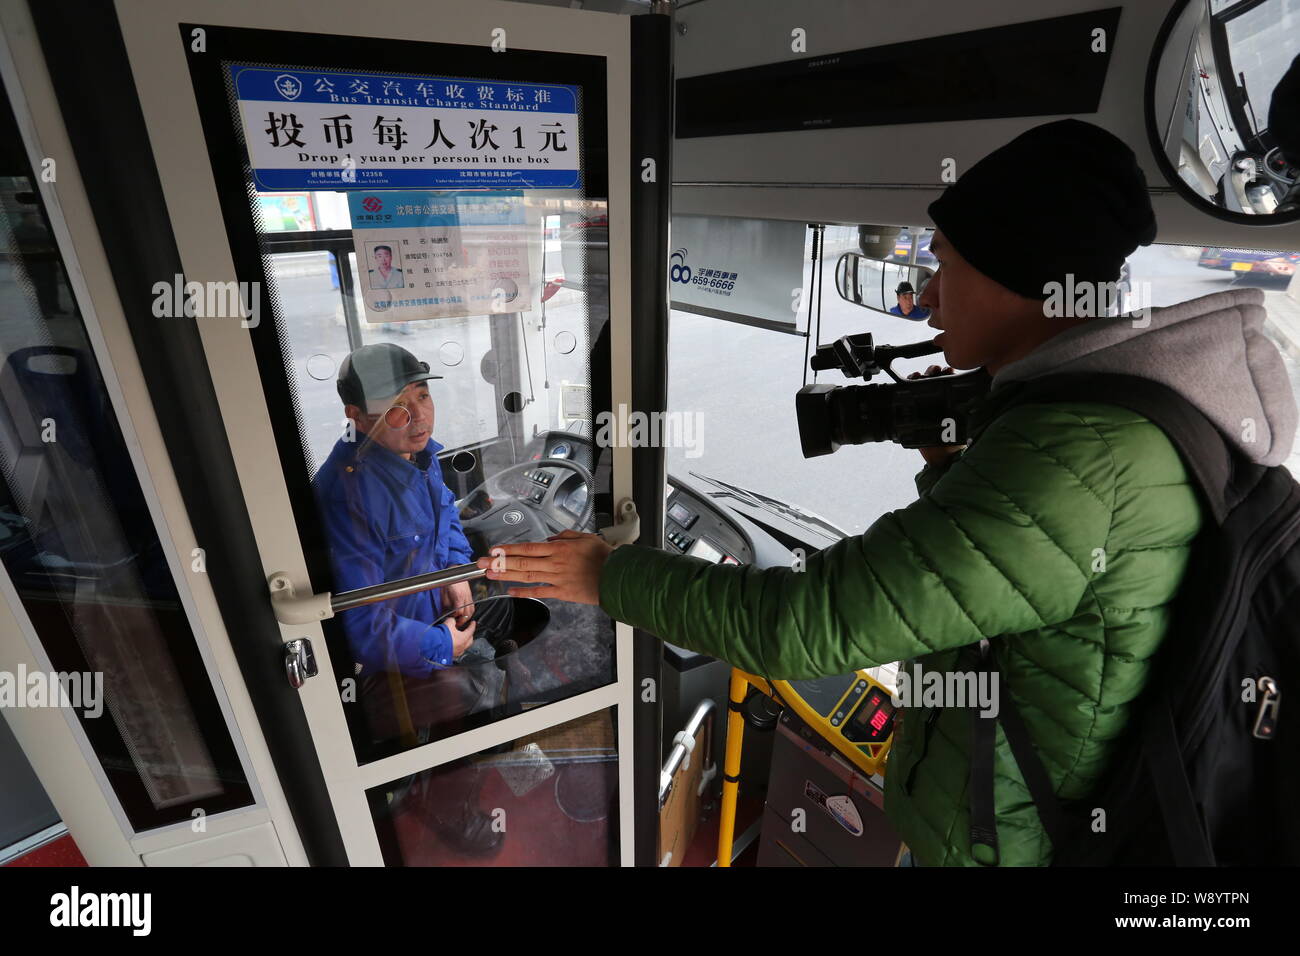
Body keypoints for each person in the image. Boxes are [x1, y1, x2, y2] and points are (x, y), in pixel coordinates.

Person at [476, 119, 1298, 866]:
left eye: (944, 259)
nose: (928, 292)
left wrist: (604, 577)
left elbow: (797, 626)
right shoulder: (1113, 420)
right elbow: (1011, 595)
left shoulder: (1070, 458)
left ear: (1019, 273)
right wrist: (951, 466)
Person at [312, 342, 517, 856]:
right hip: (379, 666)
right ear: (355, 417)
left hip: (432, 614)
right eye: (398, 408)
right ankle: (446, 806)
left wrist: (455, 574)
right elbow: (360, 626)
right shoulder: (347, 494)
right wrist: (440, 647)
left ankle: (472, 740)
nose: (418, 416)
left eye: (423, 396)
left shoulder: (422, 455)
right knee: (471, 691)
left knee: (506, 642)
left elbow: (445, 516)